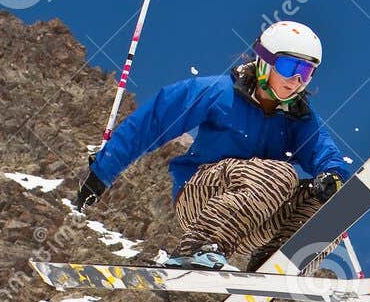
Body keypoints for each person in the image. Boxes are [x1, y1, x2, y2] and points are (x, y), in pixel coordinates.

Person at [73, 20, 350, 271]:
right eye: (289, 68)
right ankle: (196, 248)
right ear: (265, 62)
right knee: (280, 174)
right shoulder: (219, 93)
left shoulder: (299, 117)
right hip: (202, 197)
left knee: (336, 205)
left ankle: (275, 266)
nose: (296, 80)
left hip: (255, 219)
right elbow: (155, 119)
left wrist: (333, 177)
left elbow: (324, 153)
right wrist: (102, 170)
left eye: (306, 72)